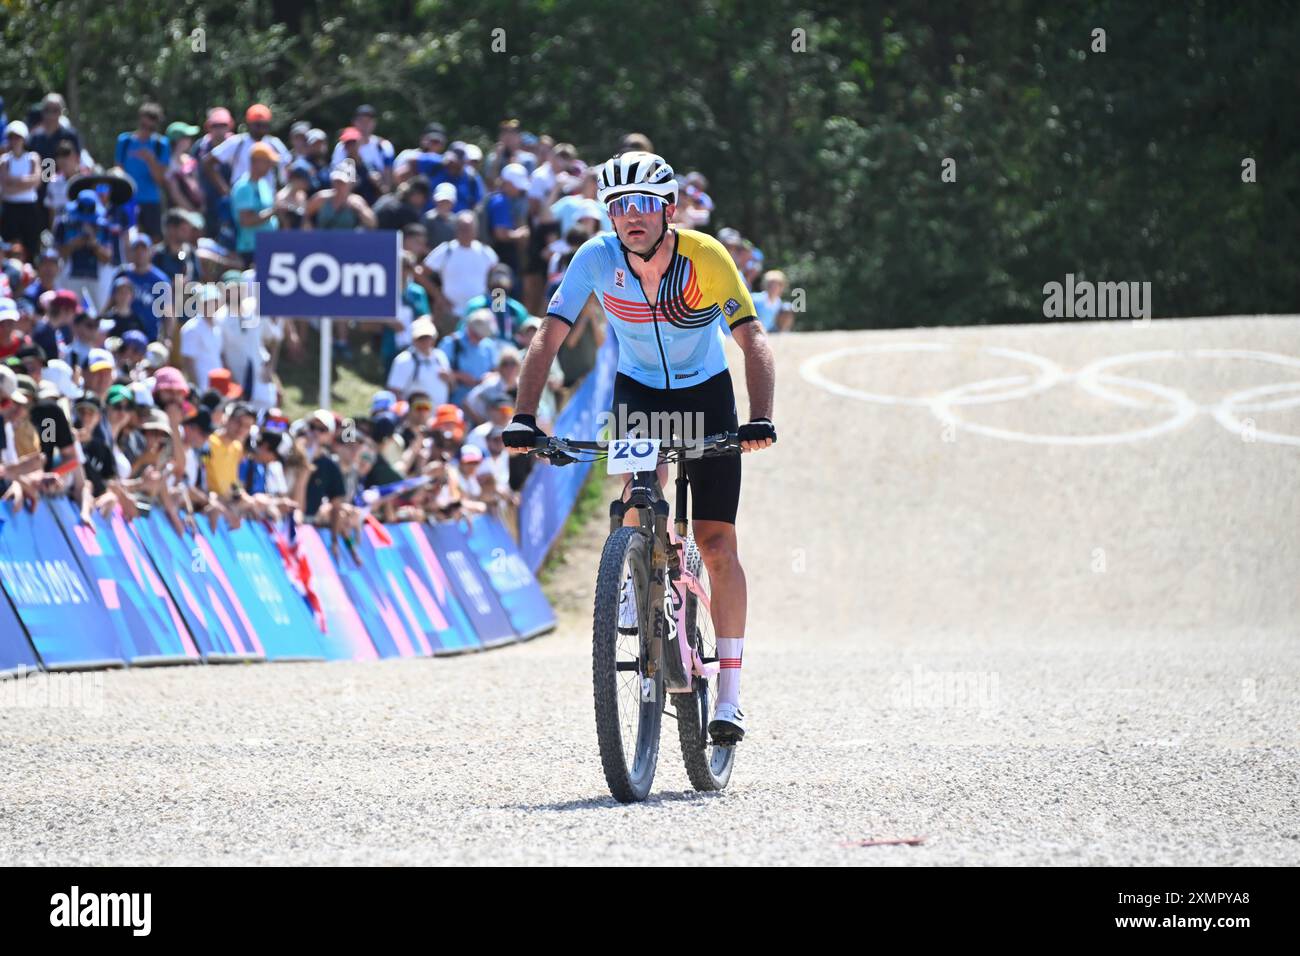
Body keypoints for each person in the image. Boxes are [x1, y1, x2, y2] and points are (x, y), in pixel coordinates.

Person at [503, 150, 777, 744]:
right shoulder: (596, 259)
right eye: (620, 206)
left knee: (716, 540)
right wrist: (524, 417)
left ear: (667, 210)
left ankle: (729, 694)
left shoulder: (704, 257)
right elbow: (548, 336)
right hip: (640, 394)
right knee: (636, 496)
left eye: (644, 206)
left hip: (707, 396)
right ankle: (632, 571)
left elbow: (751, 338)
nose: (632, 216)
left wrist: (760, 419)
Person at [423, 211, 498, 316]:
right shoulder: (446, 250)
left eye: (468, 229)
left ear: (475, 231)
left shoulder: (486, 252)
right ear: (456, 230)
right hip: (451, 314)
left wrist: (496, 309)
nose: (465, 232)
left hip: (480, 315)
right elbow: (421, 274)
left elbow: (498, 282)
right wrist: (439, 297)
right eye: (462, 229)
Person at [113, 103, 170, 239]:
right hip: (128, 200)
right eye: (144, 126)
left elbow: (160, 180)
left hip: (151, 201)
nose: (146, 131)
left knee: (154, 240)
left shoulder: (161, 144)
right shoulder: (124, 141)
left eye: (151, 128)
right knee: (129, 239)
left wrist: (150, 160)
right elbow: (118, 170)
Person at [1, 121, 44, 258]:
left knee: (30, 245)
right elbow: (5, 186)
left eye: (18, 137)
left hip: (29, 208)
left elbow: (36, 181)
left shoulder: (32, 158)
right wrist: (25, 182)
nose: (15, 141)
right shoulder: (5, 160)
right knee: (10, 245)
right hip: (10, 209)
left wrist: (14, 181)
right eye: (11, 137)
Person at [386, 316, 451, 404]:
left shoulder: (440, 356)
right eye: (420, 338)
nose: (425, 341)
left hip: (438, 415)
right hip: (413, 416)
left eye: (427, 337)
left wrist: (449, 378)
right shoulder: (403, 360)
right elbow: (394, 391)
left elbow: (452, 385)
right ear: (413, 339)